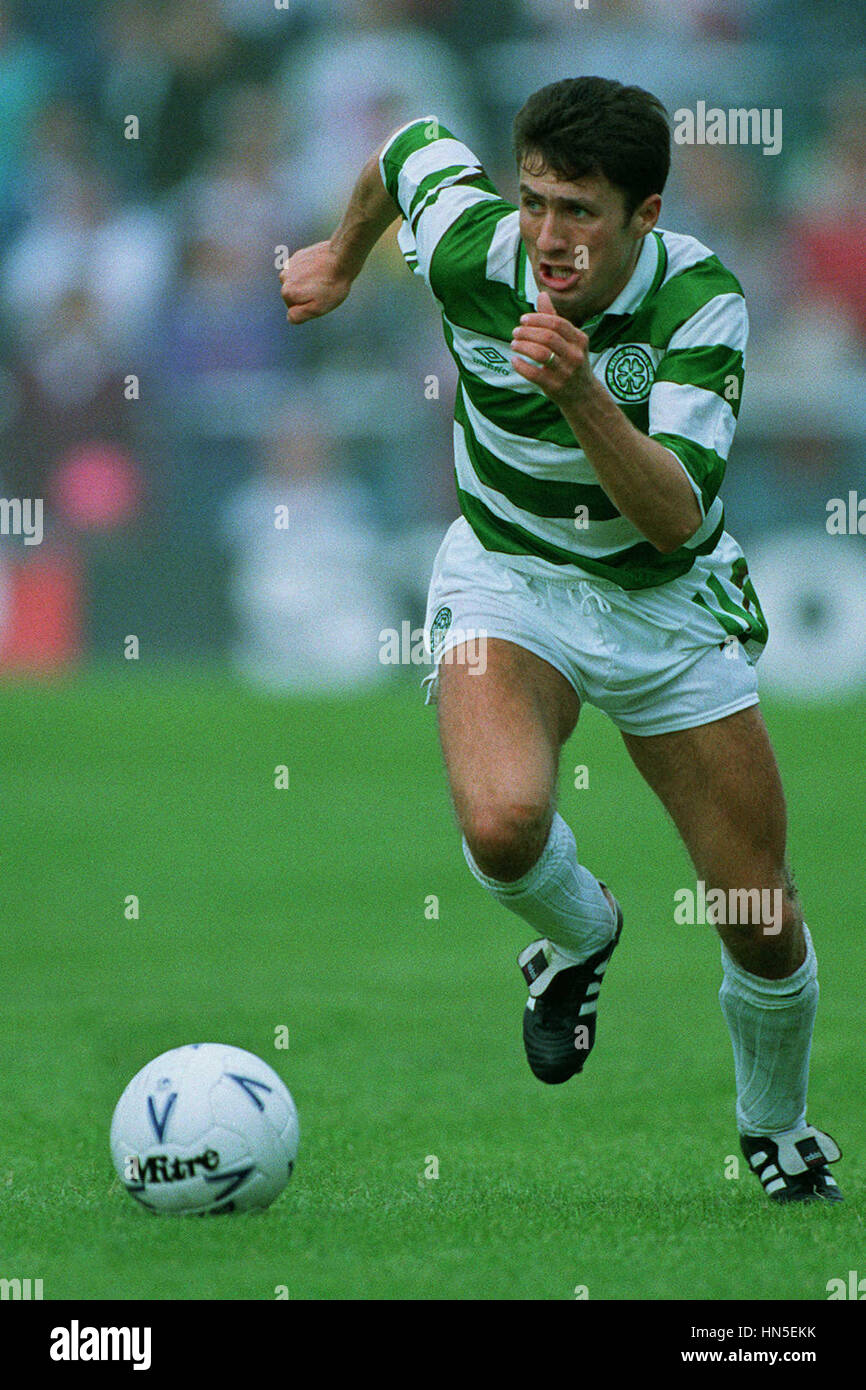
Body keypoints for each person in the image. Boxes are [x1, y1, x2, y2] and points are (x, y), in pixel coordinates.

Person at [279, 76, 842, 1203]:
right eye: (533, 200)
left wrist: (584, 393)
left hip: (661, 602)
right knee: (500, 824)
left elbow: (676, 515)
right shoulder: (471, 244)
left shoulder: (701, 304)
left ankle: (774, 1131)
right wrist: (341, 260)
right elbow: (405, 150)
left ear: (644, 213)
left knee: (758, 916)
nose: (547, 236)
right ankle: (579, 939)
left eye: (579, 211)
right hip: (510, 573)